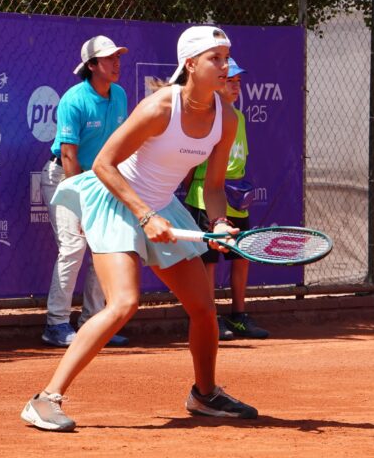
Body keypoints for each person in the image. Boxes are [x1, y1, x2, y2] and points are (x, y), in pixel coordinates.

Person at [21, 25, 258, 432]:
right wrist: (146, 216)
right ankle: (45, 399)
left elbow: (214, 187)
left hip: (162, 204)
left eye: (226, 58)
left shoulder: (227, 119)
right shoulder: (160, 107)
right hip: (116, 200)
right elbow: (103, 164)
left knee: (203, 308)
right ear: (190, 64)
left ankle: (204, 393)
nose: (225, 67)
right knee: (123, 303)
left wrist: (219, 221)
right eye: (215, 59)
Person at [39, 35, 130, 348]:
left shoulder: (119, 96)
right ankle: (56, 324)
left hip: (100, 179)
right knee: (73, 247)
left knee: (103, 249)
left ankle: (94, 323)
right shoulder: (73, 100)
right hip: (65, 177)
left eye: (118, 57)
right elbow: (68, 156)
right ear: (92, 65)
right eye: (109, 59)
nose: (117, 63)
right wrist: (78, 202)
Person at [183, 57, 269, 341]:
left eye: (238, 82)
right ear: (216, 85)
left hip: (236, 197)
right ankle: (210, 318)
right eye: (229, 81)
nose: (235, 86)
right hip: (204, 197)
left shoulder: (238, 117)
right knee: (208, 261)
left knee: (241, 257)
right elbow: (194, 163)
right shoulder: (207, 117)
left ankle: (239, 316)